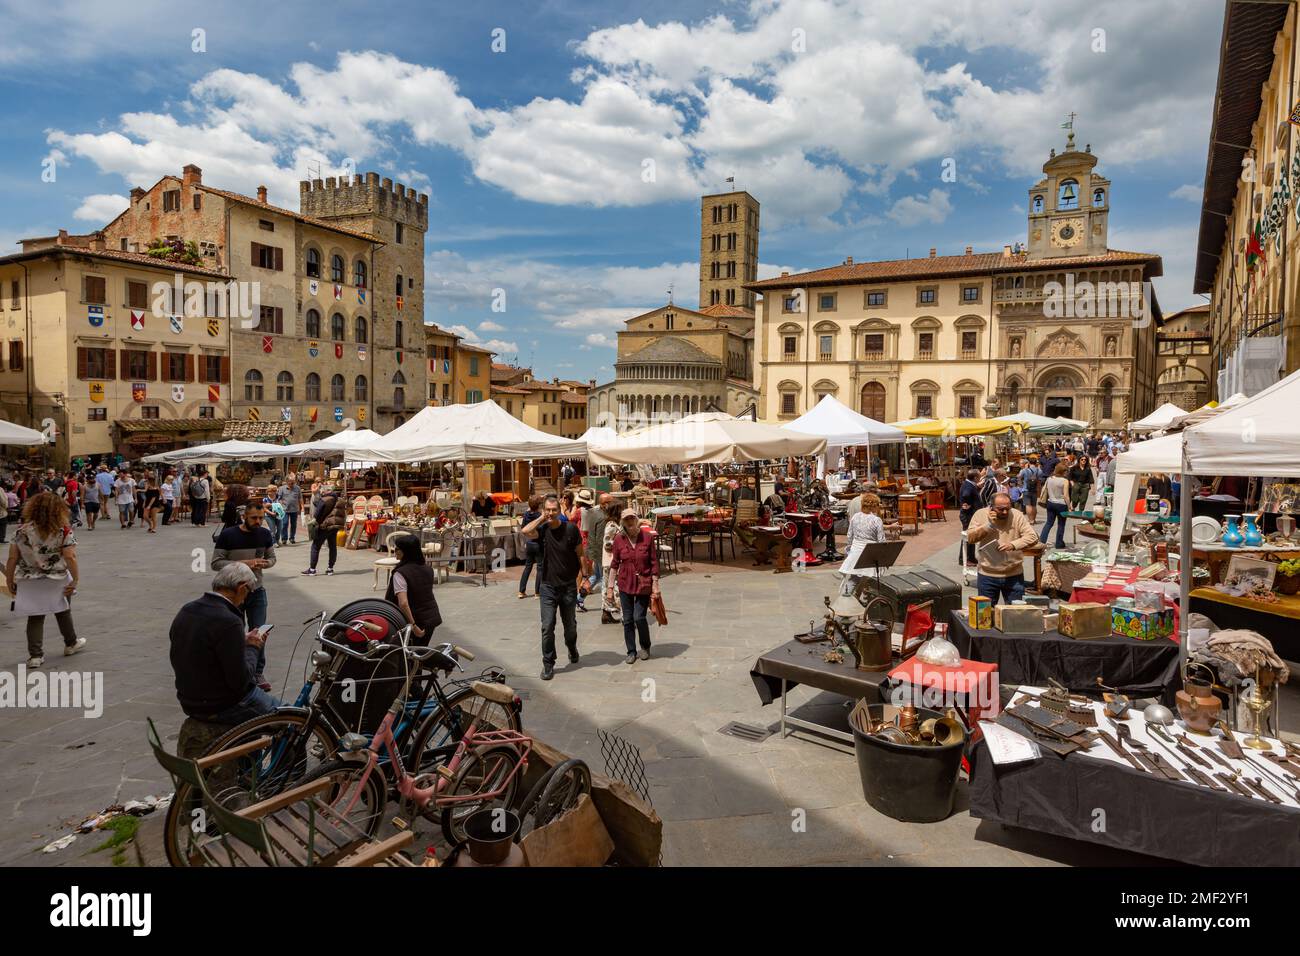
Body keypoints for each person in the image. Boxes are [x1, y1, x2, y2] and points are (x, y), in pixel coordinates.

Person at [169, 563, 279, 725]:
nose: (246, 597)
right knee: (291, 719)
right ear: (242, 588)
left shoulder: (188, 609)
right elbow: (241, 680)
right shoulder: (230, 621)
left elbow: (204, 646)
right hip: (222, 703)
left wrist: (239, 640)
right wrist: (253, 647)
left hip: (189, 698)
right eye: (249, 591)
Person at [5, 491, 85, 667]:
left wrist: (9, 580)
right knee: (63, 611)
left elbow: (12, 558)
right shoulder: (63, 530)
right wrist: (75, 580)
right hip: (56, 577)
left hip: (29, 578)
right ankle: (70, 643)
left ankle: (35, 656)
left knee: (35, 616)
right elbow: (70, 556)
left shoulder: (21, 531)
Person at [211, 500, 277, 690]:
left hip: (257, 589)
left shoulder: (265, 534)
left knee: (260, 631)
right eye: (254, 518)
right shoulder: (229, 535)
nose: (258, 522)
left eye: (261, 518)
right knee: (234, 631)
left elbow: (272, 558)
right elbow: (216, 563)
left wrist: (266, 564)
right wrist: (245, 564)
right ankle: (236, 669)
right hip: (233, 593)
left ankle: (257, 671)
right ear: (244, 517)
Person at [521, 494, 584, 681]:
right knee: (547, 626)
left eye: (553, 510)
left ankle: (571, 647)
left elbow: (580, 554)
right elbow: (525, 531)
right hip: (548, 586)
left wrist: (585, 577)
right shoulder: (543, 530)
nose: (551, 513)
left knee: (569, 625)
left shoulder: (571, 529)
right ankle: (548, 663)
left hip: (568, 586)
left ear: (559, 510)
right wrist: (541, 518)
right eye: (547, 510)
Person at [966, 492, 1038, 606]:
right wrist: (988, 525)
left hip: (1014, 574)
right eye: (1000, 509)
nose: (1005, 512)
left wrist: (1013, 545)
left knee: (1015, 614)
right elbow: (970, 538)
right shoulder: (980, 514)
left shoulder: (1017, 515)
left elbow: (1032, 536)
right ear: (991, 507)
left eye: (1007, 508)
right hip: (987, 574)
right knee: (985, 615)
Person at [607, 509, 660, 664]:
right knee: (628, 619)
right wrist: (610, 588)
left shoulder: (647, 537)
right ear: (623, 522)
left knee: (639, 617)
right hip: (625, 582)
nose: (630, 522)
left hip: (644, 583)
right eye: (626, 519)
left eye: (632, 518)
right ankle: (631, 651)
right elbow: (614, 564)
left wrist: (655, 585)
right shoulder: (618, 539)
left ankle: (645, 646)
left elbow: (654, 562)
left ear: (636, 519)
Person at [385, 534, 443, 646]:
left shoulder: (401, 573)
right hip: (431, 618)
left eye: (397, 549)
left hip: (413, 620)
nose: (394, 551)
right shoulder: (428, 569)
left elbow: (403, 603)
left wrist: (413, 626)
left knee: (407, 657)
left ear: (405, 551)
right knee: (420, 652)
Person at [304, 486, 347, 575]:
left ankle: (312, 570)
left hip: (325, 525)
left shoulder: (324, 500)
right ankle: (330, 568)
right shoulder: (339, 499)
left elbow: (317, 514)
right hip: (335, 526)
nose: (321, 493)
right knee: (332, 546)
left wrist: (314, 523)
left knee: (315, 546)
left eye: (322, 492)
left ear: (325, 492)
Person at [599, 499, 623, 624]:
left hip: (610, 561)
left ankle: (607, 612)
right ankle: (623, 613)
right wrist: (621, 543)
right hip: (611, 562)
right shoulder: (612, 526)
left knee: (609, 586)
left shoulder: (613, 524)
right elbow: (607, 544)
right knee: (616, 588)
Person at [1039, 463, 1072, 548]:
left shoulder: (1049, 479)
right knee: (1061, 524)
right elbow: (1066, 496)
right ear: (1063, 471)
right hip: (1061, 504)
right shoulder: (1065, 481)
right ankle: (1059, 543)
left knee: (1049, 523)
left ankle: (1042, 541)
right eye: (1066, 471)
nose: (1067, 473)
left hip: (1050, 503)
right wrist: (1069, 506)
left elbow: (1044, 489)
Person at [517, 495, 543, 599]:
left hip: (529, 543)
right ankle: (537, 592)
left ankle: (521, 591)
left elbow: (523, 527)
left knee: (528, 567)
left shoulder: (526, 514)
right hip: (538, 543)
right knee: (540, 568)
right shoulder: (540, 515)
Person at [958, 468, 981, 566]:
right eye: (979, 476)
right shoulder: (968, 486)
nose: (979, 478)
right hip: (968, 515)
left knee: (972, 536)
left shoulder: (969, 484)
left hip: (970, 514)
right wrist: (967, 504)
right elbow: (966, 495)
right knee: (968, 536)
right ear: (975, 477)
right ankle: (964, 558)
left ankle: (971, 557)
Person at [279, 475, 302, 544]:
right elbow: (279, 498)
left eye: (293, 482)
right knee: (284, 524)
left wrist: (302, 508)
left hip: (294, 509)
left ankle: (292, 538)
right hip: (284, 509)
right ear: (287, 482)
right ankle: (284, 538)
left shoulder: (297, 488)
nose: (292, 484)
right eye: (290, 483)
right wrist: (281, 503)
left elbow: (300, 498)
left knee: (294, 524)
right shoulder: (281, 488)